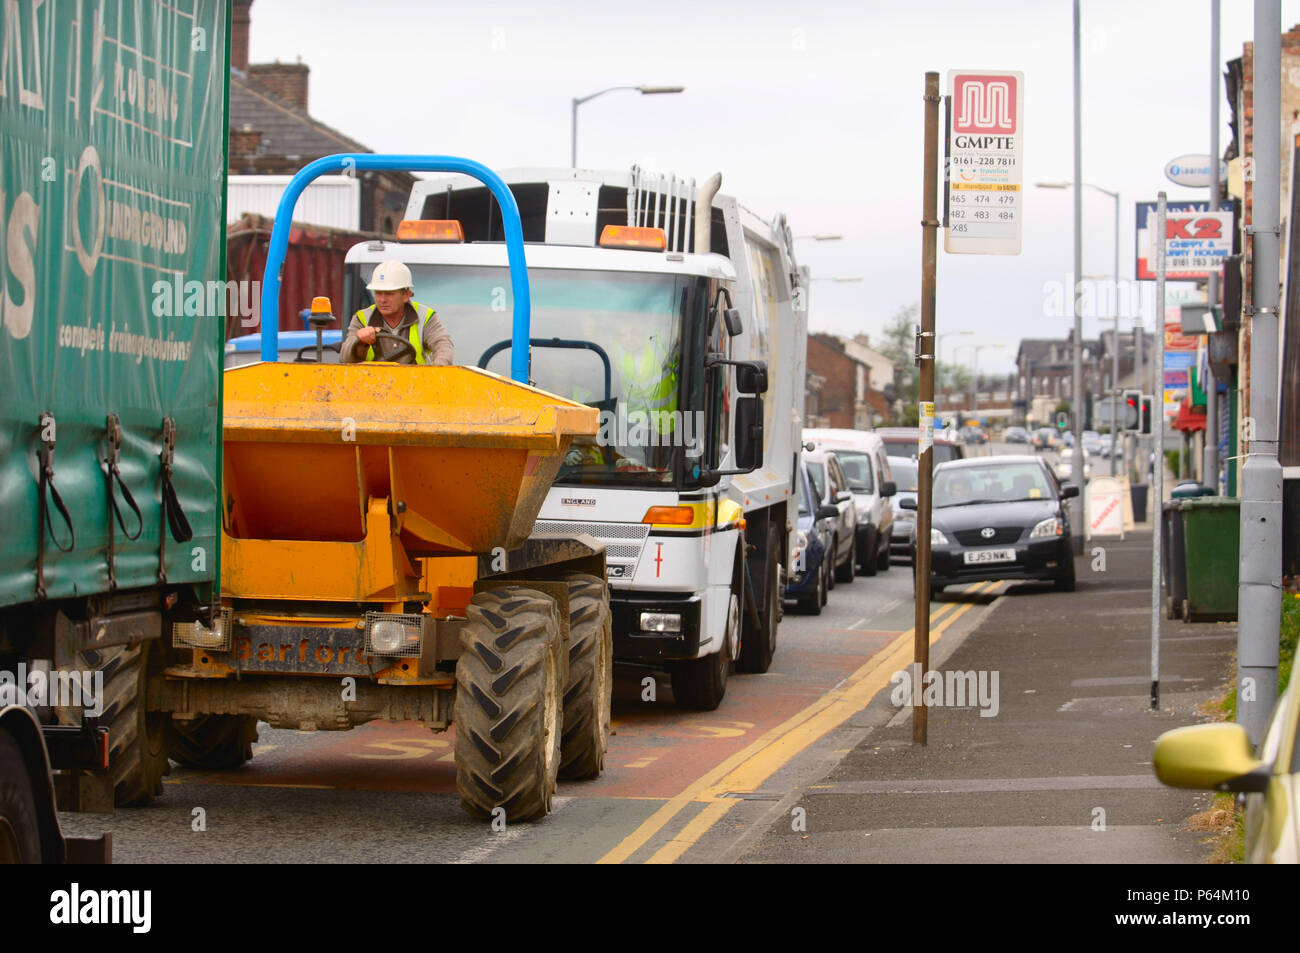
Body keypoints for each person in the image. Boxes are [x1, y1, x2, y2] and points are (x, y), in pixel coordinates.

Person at [340, 260, 453, 365]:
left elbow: (444, 346)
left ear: (406, 295)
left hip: (415, 384)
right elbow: (345, 359)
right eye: (378, 293)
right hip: (372, 385)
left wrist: (437, 373)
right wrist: (360, 343)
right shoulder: (362, 318)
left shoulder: (425, 317)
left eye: (389, 293)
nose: (382, 300)